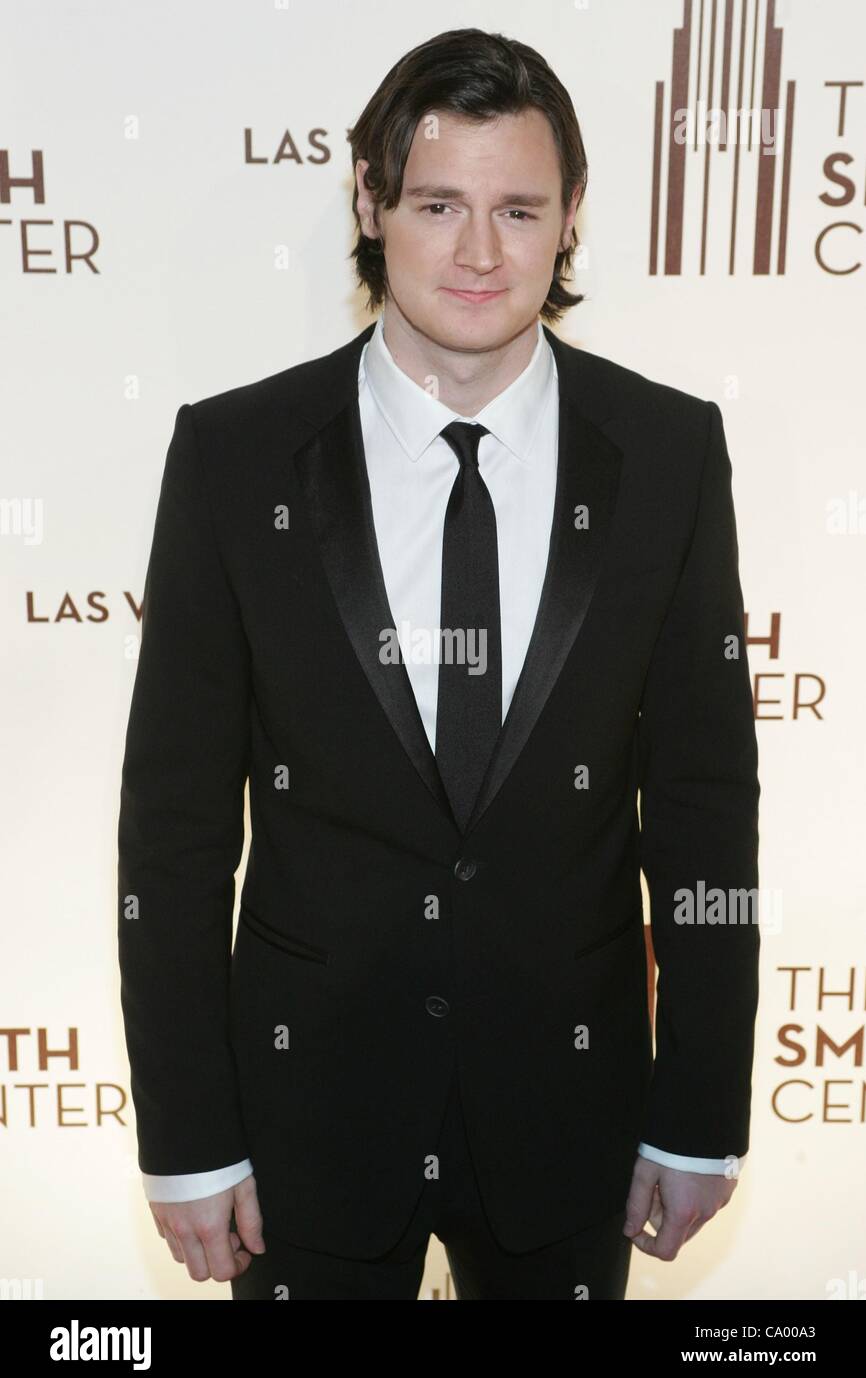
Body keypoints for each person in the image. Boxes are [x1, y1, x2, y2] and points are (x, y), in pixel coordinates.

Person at [117, 27, 760, 1301]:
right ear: (369, 199)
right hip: (302, 1115)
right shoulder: (236, 459)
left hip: (568, 1112)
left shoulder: (666, 455)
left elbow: (700, 806)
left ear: (570, 217)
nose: (478, 253)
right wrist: (188, 1139)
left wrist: (698, 1107)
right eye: (436, 205)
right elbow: (176, 829)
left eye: (517, 209)